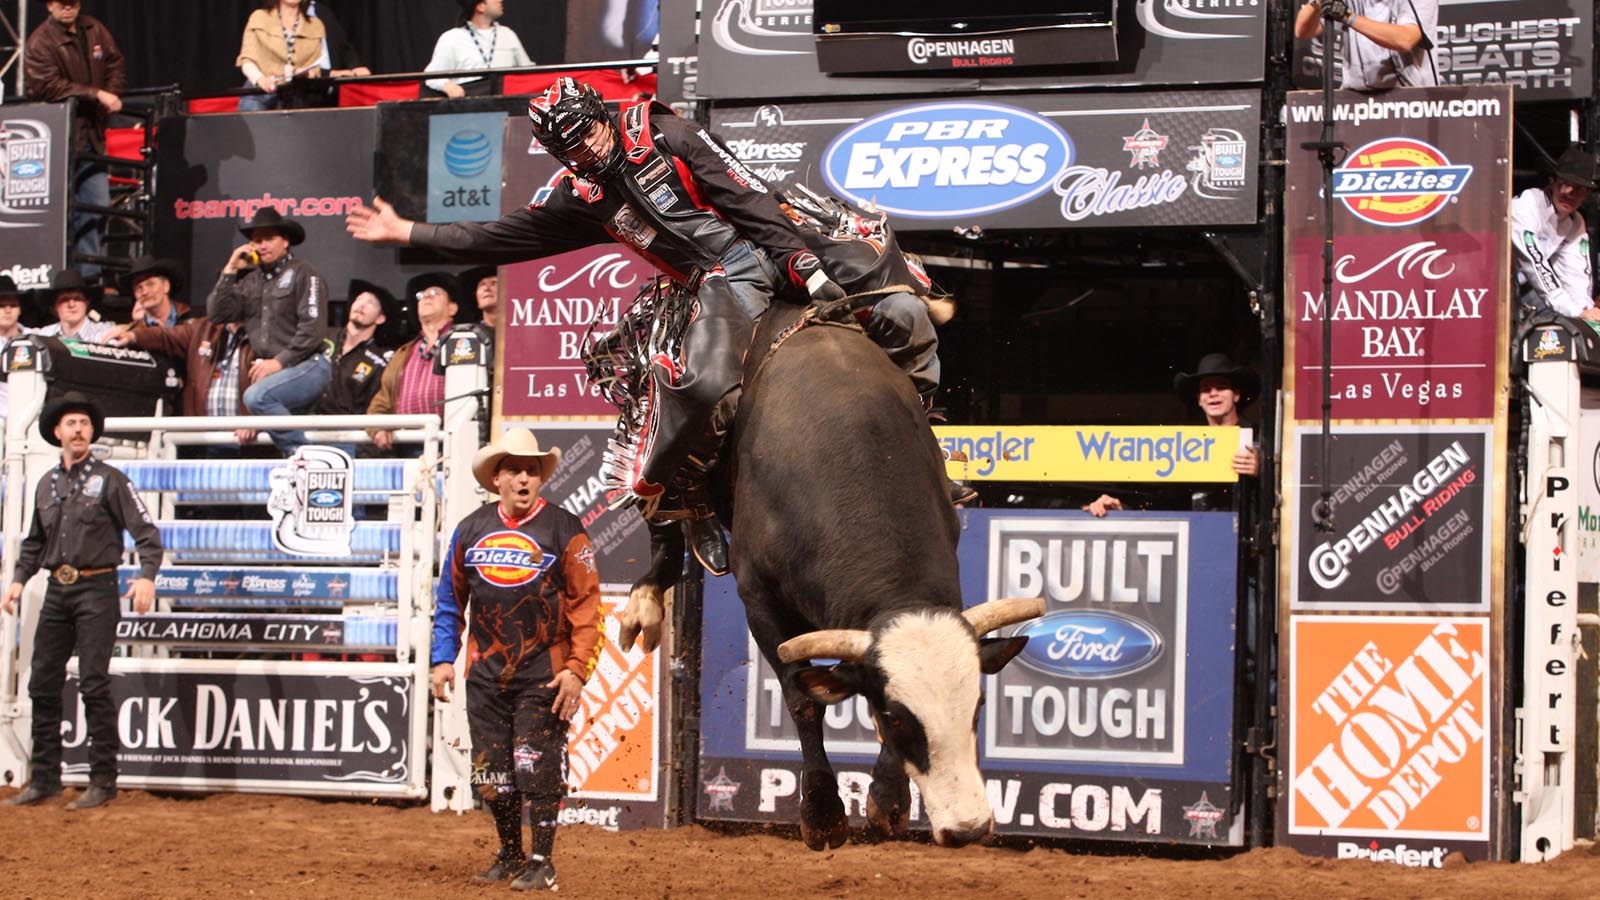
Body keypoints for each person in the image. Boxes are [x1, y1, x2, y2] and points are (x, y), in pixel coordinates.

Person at [347, 77, 848, 569]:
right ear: (559, 154)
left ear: (602, 116)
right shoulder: (582, 198)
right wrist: (407, 230)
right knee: (703, 385)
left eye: (589, 131)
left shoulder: (669, 135)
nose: (587, 147)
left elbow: (749, 198)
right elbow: (492, 236)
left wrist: (800, 261)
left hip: (770, 242)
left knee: (882, 288)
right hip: (712, 281)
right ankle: (689, 500)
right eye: (572, 146)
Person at [430, 427, 601, 891]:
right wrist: (443, 658)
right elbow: (450, 599)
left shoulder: (565, 529)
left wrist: (576, 669)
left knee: (536, 765)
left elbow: (587, 605)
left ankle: (542, 860)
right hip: (485, 673)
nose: (523, 479)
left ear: (540, 479)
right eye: (514, 471)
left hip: (544, 673)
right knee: (492, 771)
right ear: (497, 479)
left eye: (531, 471)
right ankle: (510, 853)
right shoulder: (471, 529)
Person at [3, 392, 162, 810]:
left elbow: (146, 534)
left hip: (97, 588)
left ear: (92, 432)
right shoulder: (46, 483)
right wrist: (19, 579)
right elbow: (34, 541)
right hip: (58, 589)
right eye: (71, 423)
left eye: (84, 424)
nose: (78, 430)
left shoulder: (111, 480)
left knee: (93, 682)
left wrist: (147, 577)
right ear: (57, 432)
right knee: (42, 682)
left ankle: (103, 780)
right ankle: (45, 779)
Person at [207, 207, 332, 454]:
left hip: (309, 365)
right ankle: (296, 461)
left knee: (256, 397)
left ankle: (304, 456)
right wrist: (231, 268)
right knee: (260, 405)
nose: (262, 245)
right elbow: (217, 314)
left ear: (285, 241)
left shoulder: (304, 273)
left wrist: (278, 362)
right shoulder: (250, 281)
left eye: (268, 238)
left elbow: (313, 330)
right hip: (272, 375)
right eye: (256, 240)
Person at [1084, 353, 1261, 517]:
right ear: (1199, 400)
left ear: (1236, 395)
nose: (1213, 393)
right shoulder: (1189, 444)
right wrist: (1123, 509)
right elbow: (1169, 500)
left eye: (1221, 387)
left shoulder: (1258, 438)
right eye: (1206, 389)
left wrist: (1260, 473)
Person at [24, 0, 126, 277]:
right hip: (55, 139)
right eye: (62, 3)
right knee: (53, 213)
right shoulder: (40, 42)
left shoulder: (95, 29)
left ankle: (88, 279)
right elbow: (46, 86)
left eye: (73, 2)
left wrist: (110, 93)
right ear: (49, 5)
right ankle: (53, 278)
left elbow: (115, 63)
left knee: (96, 206)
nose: (68, 7)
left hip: (91, 136)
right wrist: (97, 94)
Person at [105, 315, 254, 423]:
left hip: (247, 439)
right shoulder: (203, 328)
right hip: (202, 437)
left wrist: (252, 420)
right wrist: (133, 335)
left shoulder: (263, 333)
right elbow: (166, 336)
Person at [1512, 144, 1599, 321]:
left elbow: (1575, 274)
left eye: (1580, 189)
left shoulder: (1575, 222)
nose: (1570, 194)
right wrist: (1575, 312)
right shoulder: (1527, 206)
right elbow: (1534, 263)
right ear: (1552, 182)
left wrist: (1585, 311)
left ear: (1587, 195)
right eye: (1566, 185)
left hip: (1527, 289)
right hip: (1491, 285)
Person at [1294, 0, 1437, 92]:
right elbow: (1303, 31)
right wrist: (1317, 2)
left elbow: (1405, 40)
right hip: (1356, 100)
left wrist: (1348, 17)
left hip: (1409, 98)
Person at [424, 0, 533, 100]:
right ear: (481, 6)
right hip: (468, 106)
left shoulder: (508, 34)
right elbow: (431, 76)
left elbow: (529, 72)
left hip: (506, 105)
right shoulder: (452, 38)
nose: (500, 0)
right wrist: (447, 85)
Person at [315, 280, 393, 417]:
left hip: (345, 426)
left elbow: (373, 410)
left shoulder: (378, 362)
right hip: (303, 420)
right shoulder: (323, 336)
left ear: (380, 318)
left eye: (370, 303)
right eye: (358, 299)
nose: (361, 305)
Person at [237, 0, 327, 111]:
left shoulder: (315, 25)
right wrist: (261, 79)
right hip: (260, 92)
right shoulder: (259, 18)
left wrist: (307, 73)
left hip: (297, 94)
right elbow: (247, 60)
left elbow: (316, 68)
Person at [32, 270, 116, 343]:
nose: (71, 305)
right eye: (64, 300)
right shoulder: (44, 335)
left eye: (77, 298)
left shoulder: (106, 333)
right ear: (54, 307)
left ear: (87, 303)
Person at [119, 255, 193, 328]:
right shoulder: (134, 331)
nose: (144, 292)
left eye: (150, 284)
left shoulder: (193, 319)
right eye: (138, 288)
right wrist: (139, 327)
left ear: (166, 286)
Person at [0, 276, 34, 418]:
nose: (8, 310)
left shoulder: (36, 338)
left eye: (13, 305)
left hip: (32, 415)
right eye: (1, 306)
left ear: (20, 309)